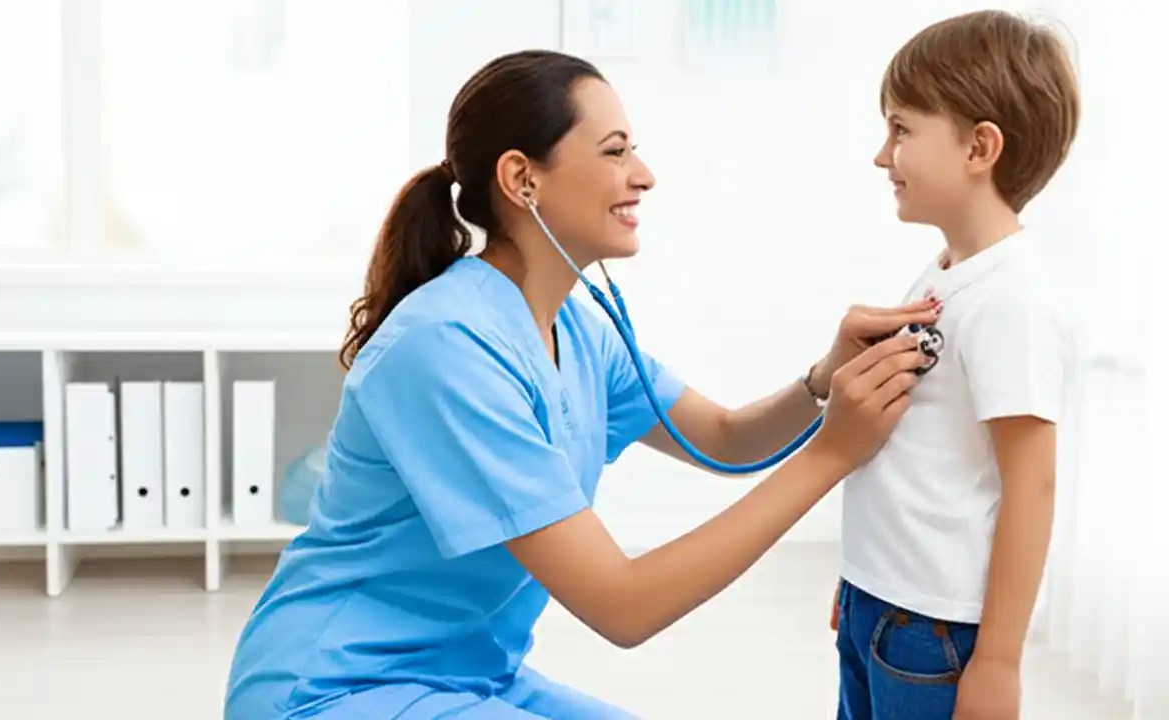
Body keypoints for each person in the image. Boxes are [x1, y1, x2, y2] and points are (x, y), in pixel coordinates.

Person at [226, 49, 937, 719]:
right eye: (616, 151)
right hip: (334, 687)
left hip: (468, 671)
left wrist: (821, 382)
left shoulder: (575, 325)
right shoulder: (447, 348)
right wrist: (831, 454)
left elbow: (724, 438)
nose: (645, 175)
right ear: (521, 178)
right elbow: (622, 606)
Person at [832, 11, 1080, 720]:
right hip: (879, 606)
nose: (884, 156)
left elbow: (1030, 485)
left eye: (901, 130)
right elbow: (916, 453)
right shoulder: (947, 272)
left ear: (980, 148)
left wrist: (997, 662)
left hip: (931, 631)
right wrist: (864, 581)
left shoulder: (1014, 298)